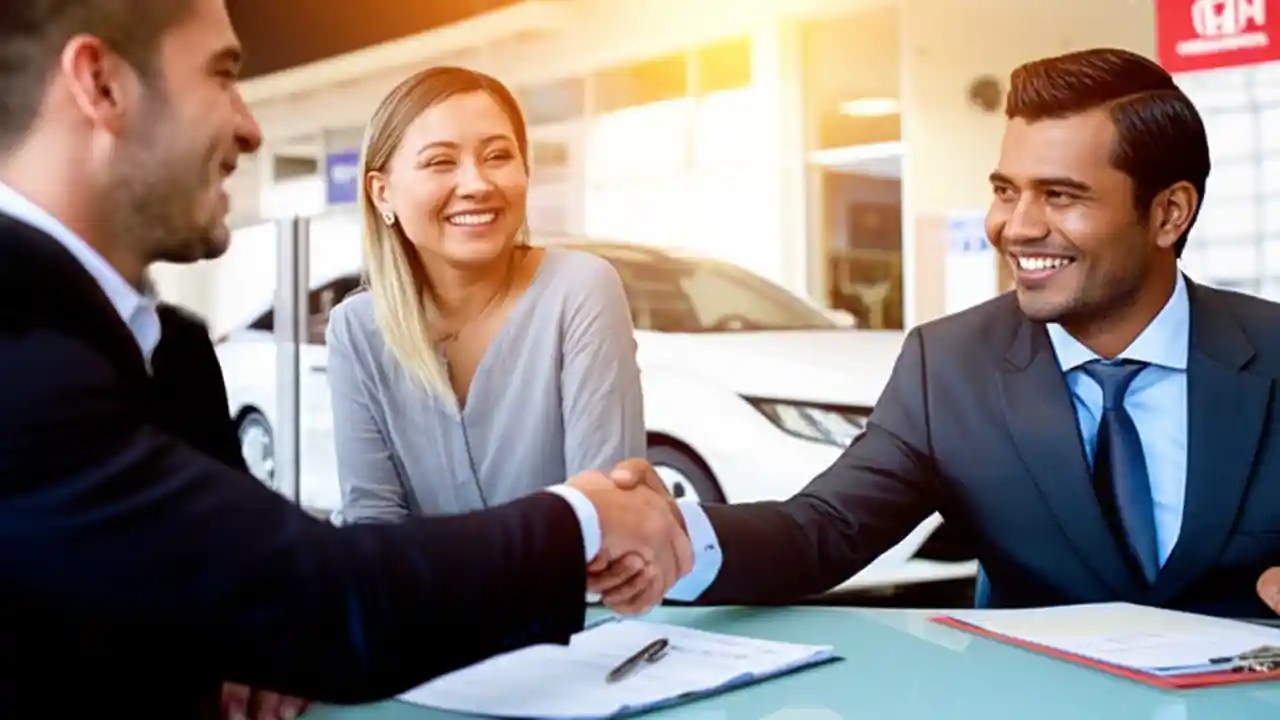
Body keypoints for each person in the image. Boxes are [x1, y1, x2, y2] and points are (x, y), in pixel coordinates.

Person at [0, 1, 691, 716]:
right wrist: (582, 517)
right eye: (222, 75)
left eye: (497, 154)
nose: (251, 125)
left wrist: (232, 648)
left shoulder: (164, 349)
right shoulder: (22, 353)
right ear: (102, 85)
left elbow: (215, 584)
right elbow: (321, 594)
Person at [593, 47, 1280, 620]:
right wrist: (678, 535)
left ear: (1168, 214)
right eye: (1007, 190)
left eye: (1061, 196)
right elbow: (823, 531)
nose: (1015, 226)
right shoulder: (949, 365)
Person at [326, 66, 645, 526]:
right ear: (382, 193)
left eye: (498, 156)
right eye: (440, 162)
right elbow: (372, 522)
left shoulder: (579, 289)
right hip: (417, 599)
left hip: (570, 599)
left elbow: (604, 517)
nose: (477, 185)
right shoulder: (356, 330)